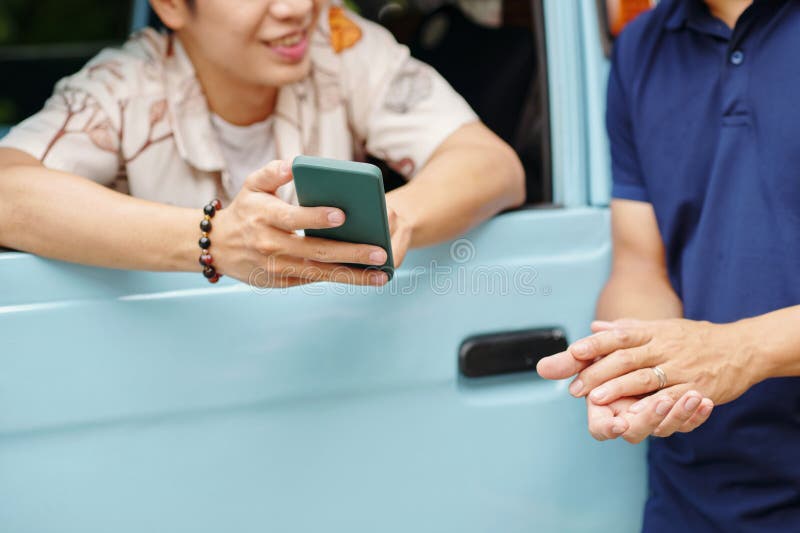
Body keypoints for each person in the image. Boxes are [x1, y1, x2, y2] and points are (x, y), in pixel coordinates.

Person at [0, 0, 524, 287]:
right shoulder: (122, 88)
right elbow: (7, 190)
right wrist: (213, 240)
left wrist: (397, 218)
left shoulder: (343, 47)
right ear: (173, 7)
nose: (297, 8)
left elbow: (493, 165)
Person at [537, 0, 800, 531]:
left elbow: (731, 351)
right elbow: (640, 265)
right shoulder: (641, 48)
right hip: (694, 492)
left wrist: (741, 350)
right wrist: (632, 369)